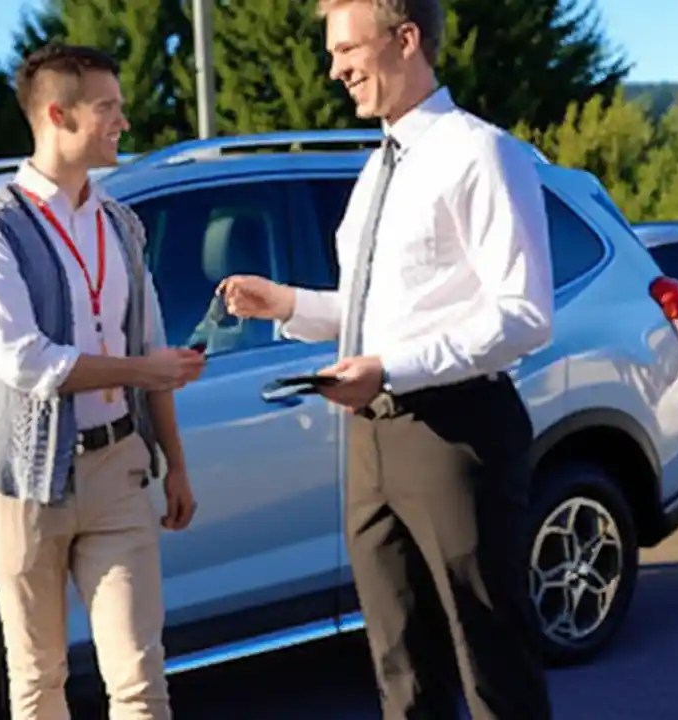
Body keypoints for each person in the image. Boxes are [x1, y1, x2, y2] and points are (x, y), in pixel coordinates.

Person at [220, 0, 555, 718]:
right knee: (399, 659)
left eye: (348, 49)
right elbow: (375, 312)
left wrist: (392, 368)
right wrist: (287, 304)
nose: (335, 68)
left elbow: (524, 315)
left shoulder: (481, 153)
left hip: (456, 435)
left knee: (491, 659)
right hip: (371, 436)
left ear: (407, 40)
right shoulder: (378, 167)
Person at [0, 42, 203, 720]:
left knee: (141, 681)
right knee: (39, 682)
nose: (123, 121)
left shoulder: (121, 225)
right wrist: (140, 370)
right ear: (58, 115)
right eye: (107, 109)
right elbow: (23, 361)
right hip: (23, 485)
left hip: (119, 469)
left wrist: (175, 464)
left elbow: (151, 344)